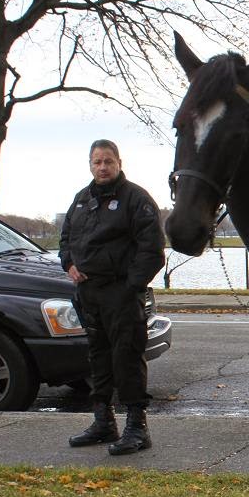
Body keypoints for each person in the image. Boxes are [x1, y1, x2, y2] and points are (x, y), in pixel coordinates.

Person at [60, 140, 165, 455]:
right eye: (97, 162)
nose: (102, 167)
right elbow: (67, 238)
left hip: (121, 293)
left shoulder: (136, 199)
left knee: (127, 358)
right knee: (98, 358)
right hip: (88, 293)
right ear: (90, 165)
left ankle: (137, 427)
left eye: (108, 161)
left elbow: (152, 250)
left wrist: (131, 286)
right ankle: (103, 421)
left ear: (119, 162)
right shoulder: (81, 200)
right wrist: (69, 263)